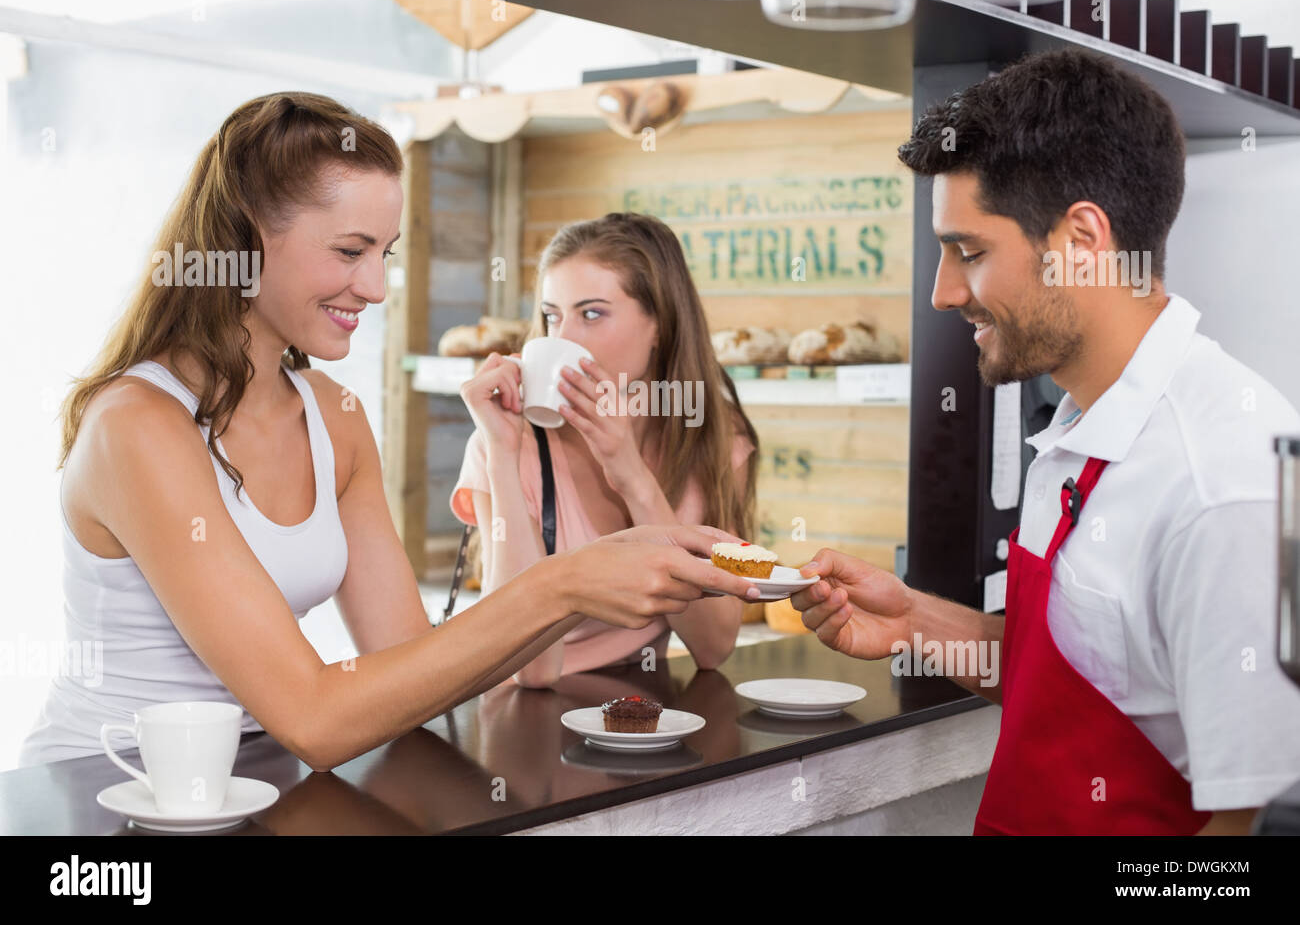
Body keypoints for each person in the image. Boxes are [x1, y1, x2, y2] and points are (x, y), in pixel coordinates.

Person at [18, 93, 761, 771]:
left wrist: (583, 577)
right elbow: (314, 714)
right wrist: (565, 584)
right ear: (247, 240)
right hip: (109, 790)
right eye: (350, 251)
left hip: (260, 776)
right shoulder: (138, 425)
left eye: (385, 254)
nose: (375, 287)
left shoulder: (333, 416)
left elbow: (412, 670)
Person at [792, 48, 1300, 836]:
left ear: (1083, 239)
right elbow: (1086, 677)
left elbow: (1253, 830)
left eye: (970, 252)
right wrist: (916, 623)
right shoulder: (1075, 421)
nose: (943, 292)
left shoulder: (1225, 485)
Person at [452, 212, 760, 687]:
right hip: (527, 713)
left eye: (592, 313)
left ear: (660, 324)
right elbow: (530, 671)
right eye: (553, 316)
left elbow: (712, 647)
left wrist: (631, 474)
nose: (564, 339)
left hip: (643, 709)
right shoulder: (511, 445)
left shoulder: (712, 438)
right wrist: (501, 454)